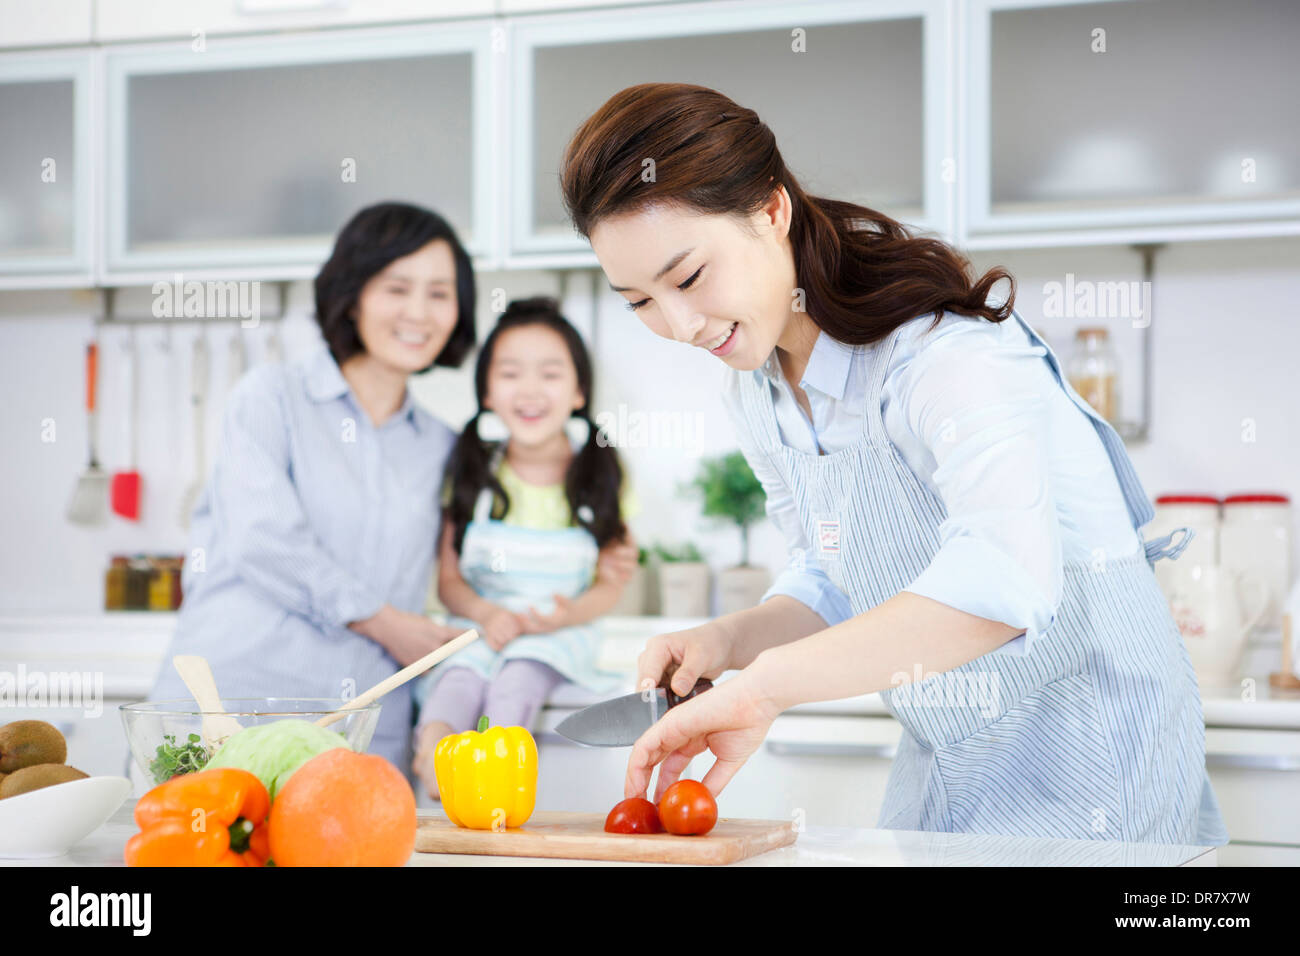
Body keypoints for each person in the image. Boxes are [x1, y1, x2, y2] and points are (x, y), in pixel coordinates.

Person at [557, 82, 1230, 845]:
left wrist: (768, 687)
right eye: (638, 301)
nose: (677, 325)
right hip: (951, 757)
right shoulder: (757, 388)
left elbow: (1002, 581)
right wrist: (732, 642)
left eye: (686, 278)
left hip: (1098, 765)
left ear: (770, 212)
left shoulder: (945, 356)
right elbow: (836, 576)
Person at [147, 202, 474, 775]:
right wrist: (386, 623)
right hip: (230, 714)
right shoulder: (271, 397)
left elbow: (460, 575)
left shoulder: (444, 447)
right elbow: (264, 539)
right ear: (353, 294)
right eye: (397, 287)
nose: (419, 312)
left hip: (359, 735)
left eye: (440, 293)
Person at [411, 297, 639, 800]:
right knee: (459, 678)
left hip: (558, 631)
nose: (530, 390)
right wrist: (485, 614)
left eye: (551, 374)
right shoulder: (471, 471)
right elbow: (450, 582)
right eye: (511, 373)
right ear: (487, 391)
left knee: (517, 677)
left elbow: (610, 584)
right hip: (480, 624)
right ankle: (433, 761)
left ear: (579, 391)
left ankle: (496, 781)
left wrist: (568, 612)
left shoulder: (599, 473)